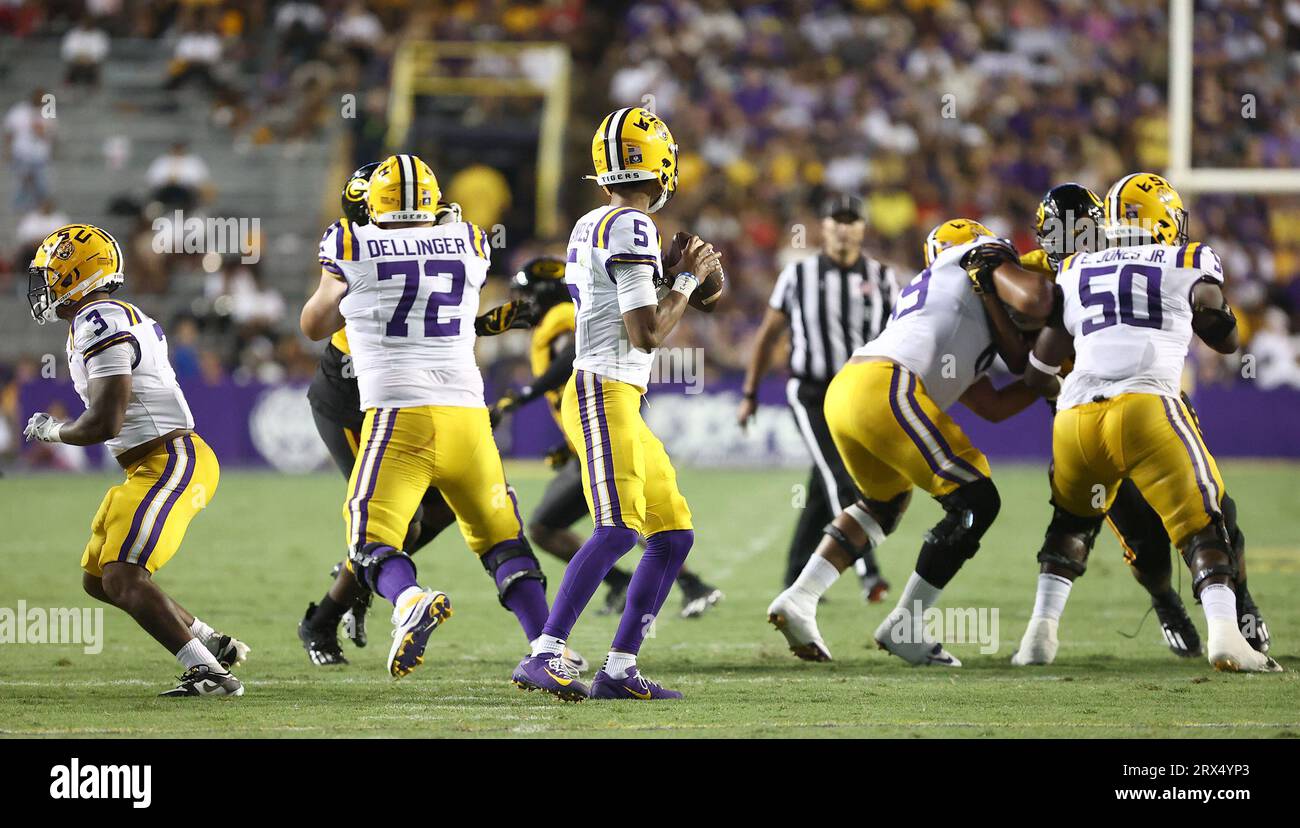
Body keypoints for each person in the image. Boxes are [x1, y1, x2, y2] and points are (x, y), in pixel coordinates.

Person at [297, 162, 582, 671]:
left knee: (370, 539)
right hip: (466, 416)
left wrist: (355, 287)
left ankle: (406, 600)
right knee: (502, 536)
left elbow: (315, 321)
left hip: (399, 413)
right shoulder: (469, 239)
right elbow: (427, 303)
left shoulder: (349, 243)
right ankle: (548, 647)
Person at [1012, 172, 1280, 673]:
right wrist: (1218, 322)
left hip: (1075, 419)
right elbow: (1219, 332)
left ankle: (1037, 637)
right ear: (1162, 219)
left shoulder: (1075, 266)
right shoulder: (1189, 256)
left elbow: (1037, 371)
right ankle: (1227, 637)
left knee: (1071, 524)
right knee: (1204, 525)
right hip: (1147, 407)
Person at [767, 219, 1052, 664]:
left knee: (882, 505)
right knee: (977, 500)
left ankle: (799, 598)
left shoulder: (939, 297)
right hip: (886, 386)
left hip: (850, 388)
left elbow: (993, 406)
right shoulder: (979, 256)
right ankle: (907, 622)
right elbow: (1037, 295)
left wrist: (1047, 377)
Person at [511, 106, 721, 701]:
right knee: (617, 528)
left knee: (673, 533)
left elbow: (633, 305)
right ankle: (545, 652)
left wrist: (681, 279)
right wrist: (686, 280)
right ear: (663, 168)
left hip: (618, 392)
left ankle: (620, 669)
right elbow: (647, 333)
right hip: (603, 388)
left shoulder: (593, 224)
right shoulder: (631, 228)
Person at [23, 223, 247, 697]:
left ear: (76, 274)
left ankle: (210, 673)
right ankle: (207, 640)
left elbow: (103, 422)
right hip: (153, 463)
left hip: (170, 459)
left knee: (123, 576)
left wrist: (52, 431)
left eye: (51, 273)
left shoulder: (98, 318)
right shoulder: (100, 317)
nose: (44, 284)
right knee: (99, 580)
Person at [492, 255, 724, 619]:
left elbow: (572, 357)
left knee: (614, 522)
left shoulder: (560, 318)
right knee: (618, 518)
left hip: (602, 417)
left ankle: (563, 633)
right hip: (596, 424)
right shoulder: (565, 316)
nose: (524, 303)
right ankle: (641, 585)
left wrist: (524, 395)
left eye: (527, 295)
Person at [737, 194, 898, 597]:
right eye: (836, 220)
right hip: (810, 390)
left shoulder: (881, 277)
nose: (844, 228)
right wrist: (750, 392)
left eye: (852, 221)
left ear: (863, 228)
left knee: (821, 484)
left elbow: (897, 338)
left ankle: (795, 575)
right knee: (840, 474)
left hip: (859, 392)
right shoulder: (798, 275)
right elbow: (767, 336)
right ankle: (868, 570)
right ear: (823, 227)